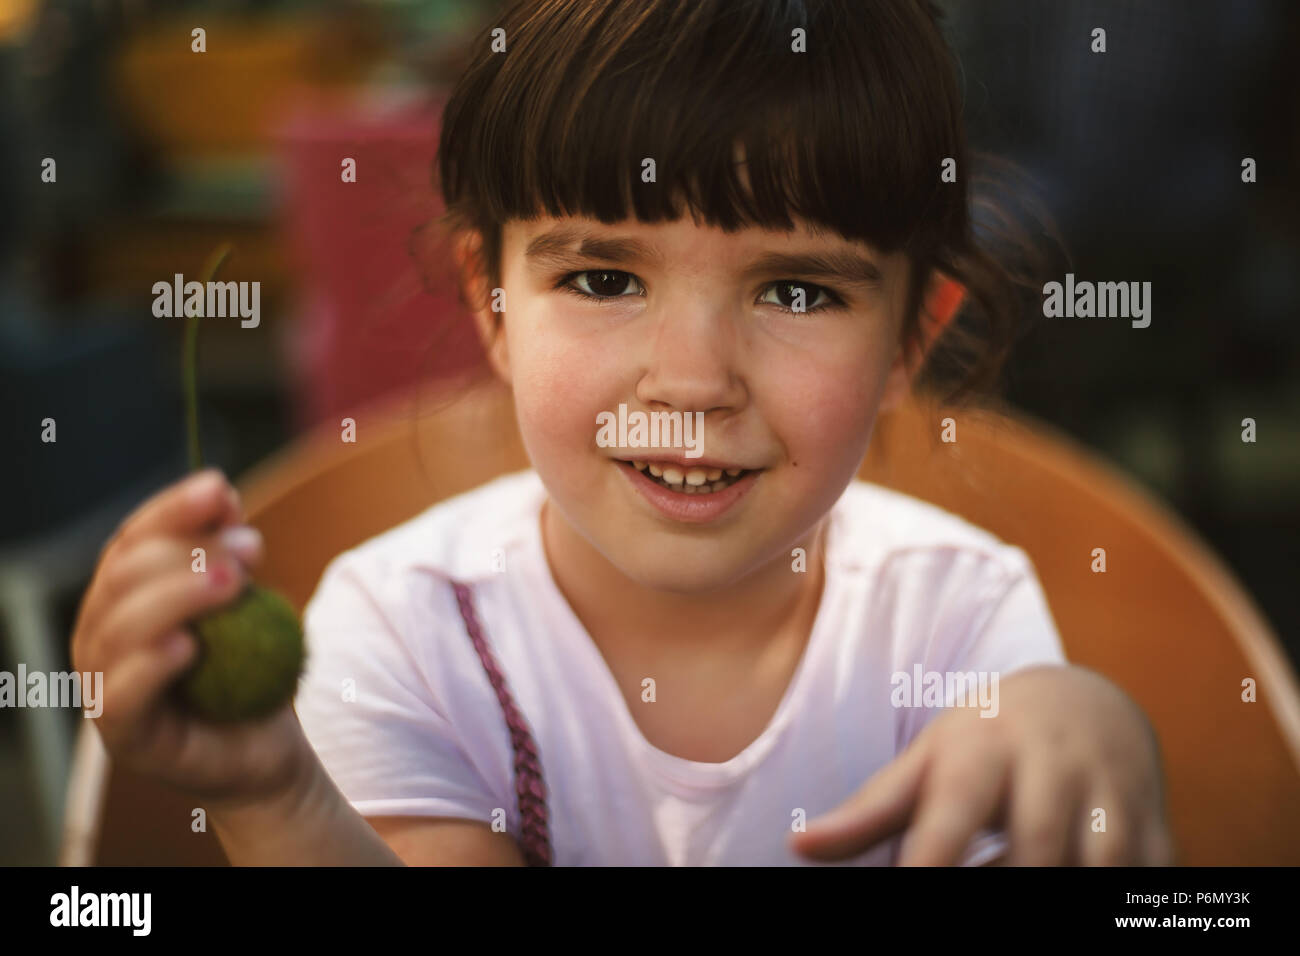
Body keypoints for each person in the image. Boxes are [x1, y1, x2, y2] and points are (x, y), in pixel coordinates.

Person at [71, 0, 1172, 866]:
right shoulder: (404, 630)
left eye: (795, 292)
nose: (691, 382)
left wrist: (1084, 738)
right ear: (492, 303)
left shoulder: (959, 624)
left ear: (907, 341)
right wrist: (277, 797)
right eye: (602, 276)